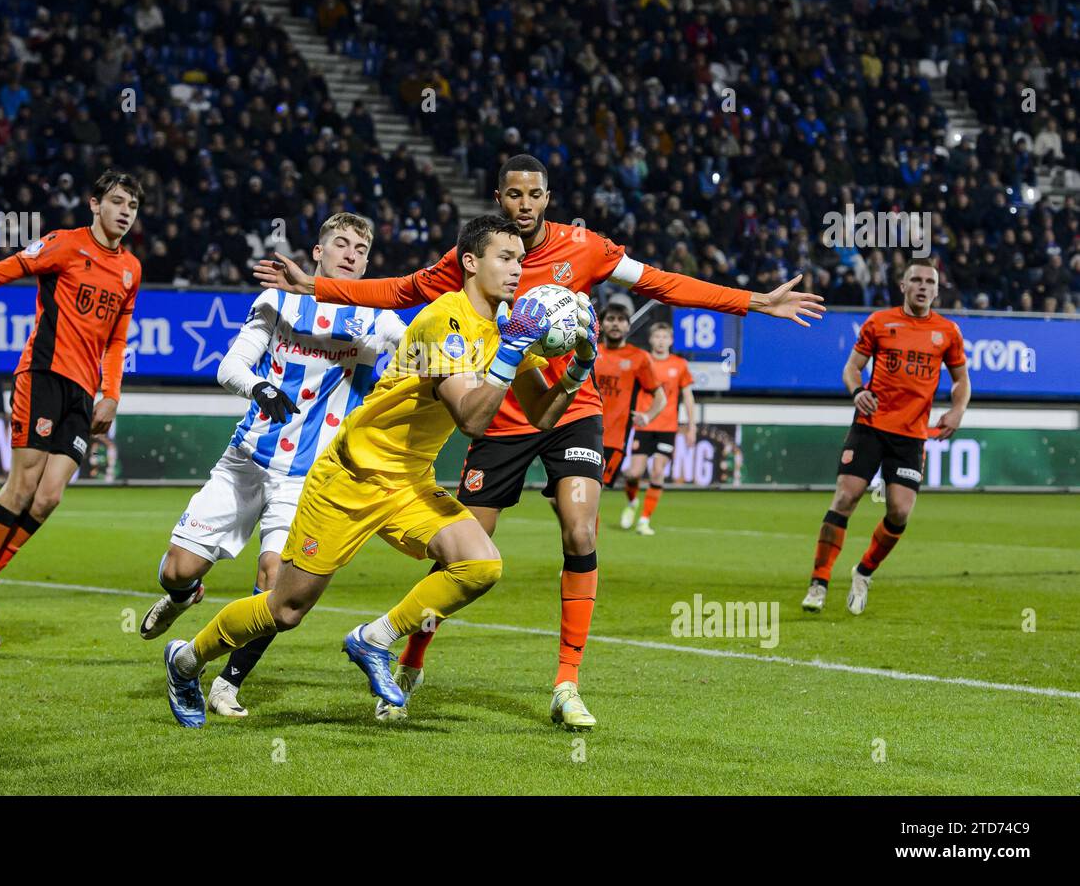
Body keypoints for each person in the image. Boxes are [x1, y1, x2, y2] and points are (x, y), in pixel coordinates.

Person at [254, 153, 824, 729]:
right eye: (513, 195)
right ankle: (411, 654)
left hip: (570, 407)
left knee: (580, 529)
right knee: (469, 548)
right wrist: (319, 286)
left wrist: (754, 302)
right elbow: (402, 289)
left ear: (548, 198)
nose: (524, 205)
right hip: (500, 414)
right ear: (498, 198)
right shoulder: (475, 257)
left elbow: (662, 283)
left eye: (534, 195)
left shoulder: (587, 248)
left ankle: (567, 683)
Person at [162, 215, 593, 728]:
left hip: (409, 484)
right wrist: (514, 350)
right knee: (286, 609)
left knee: (481, 564)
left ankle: (373, 640)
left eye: (522, 259)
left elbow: (540, 415)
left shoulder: (503, 329)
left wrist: (574, 373)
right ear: (471, 263)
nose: (518, 269)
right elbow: (473, 420)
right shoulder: (443, 321)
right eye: (506, 257)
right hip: (351, 477)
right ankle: (187, 660)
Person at [138, 213, 406, 718]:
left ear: (368, 262)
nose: (350, 254)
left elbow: (423, 352)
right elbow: (229, 366)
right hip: (246, 460)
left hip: (308, 479)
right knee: (178, 569)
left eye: (360, 249)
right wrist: (259, 387)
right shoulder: (278, 301)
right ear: (317, 253)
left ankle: (226, 684)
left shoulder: (380, 320)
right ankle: (183, 594)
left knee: (275, 588)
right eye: (341, 244)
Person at [0, 170, 144, 649]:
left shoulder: (131, 270)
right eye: (117, 202)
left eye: (132, 207)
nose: (125, 212)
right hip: (42, 376)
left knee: (49, 496)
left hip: (83, 392)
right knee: (23, 484)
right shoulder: (64, 245)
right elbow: (3, 270)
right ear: (94, 204)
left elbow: (118, 337)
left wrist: (111, 393)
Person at [801, 261, 971, 614]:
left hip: (910, 435)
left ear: (937, 291)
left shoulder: (948, 332)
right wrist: (856, 390)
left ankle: (863, 572)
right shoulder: (880, 322)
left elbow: (960, 380)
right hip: (871, 425)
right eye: (916, 280)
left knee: (899, 511)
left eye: (930, 282)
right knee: (846, 498)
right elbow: (851, 367)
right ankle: (819, 582)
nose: (923, 287)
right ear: (903, 286)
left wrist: (957, 410)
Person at [623, 322, 697, 535]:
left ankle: (644, 520)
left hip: (667, 427)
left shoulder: (680, 364)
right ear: (651, 340)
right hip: (644, 424)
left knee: (657, 472)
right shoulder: (642, 361)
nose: (661, 341)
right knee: (633, 473)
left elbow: (688, 397)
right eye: (658, 336)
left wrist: (691, 427)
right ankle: (632, 503)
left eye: (665, 337)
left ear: (671, 341)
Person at [594, 293, 665, 494]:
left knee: (591, 494)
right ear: (602, 324)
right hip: (582, 433)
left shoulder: (638, 358)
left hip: (613, 440)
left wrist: (647, 416)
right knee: (559, 497)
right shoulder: (590, 352)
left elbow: (660, 397)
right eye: (610, 319)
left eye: (621, 320)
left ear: (628, 326)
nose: (615, 324)